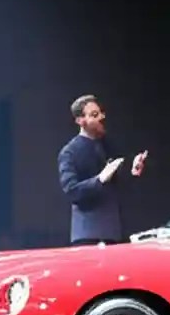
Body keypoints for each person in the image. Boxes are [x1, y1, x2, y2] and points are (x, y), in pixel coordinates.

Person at [57, 94, 148, 245]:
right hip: (89, 234)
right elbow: (72, 191)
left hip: (116, 233)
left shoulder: (108, 145)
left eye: (101, 113)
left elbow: (118, 185)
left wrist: (133, 171)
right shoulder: (69, 152)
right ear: (80, 121)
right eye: (94, 115)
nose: (100, 117)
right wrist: (99, 179)